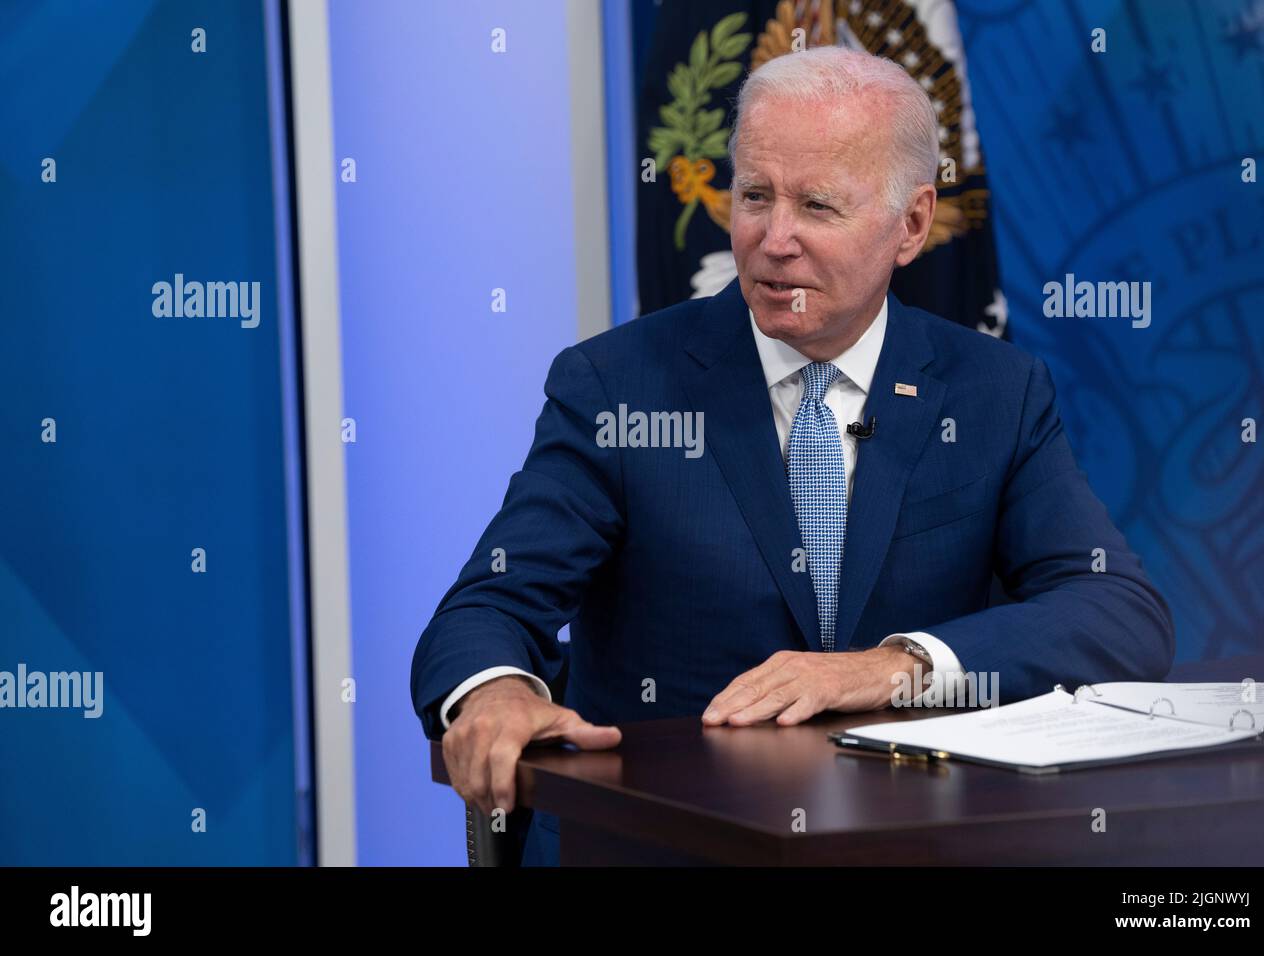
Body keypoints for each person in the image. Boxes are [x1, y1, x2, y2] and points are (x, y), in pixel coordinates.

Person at [411, 46, 1174, 866]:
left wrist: (898, 665)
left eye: (816, 205)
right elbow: (489, 606)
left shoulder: (995, 392)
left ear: (911, 224)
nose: (775, 240)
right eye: (754, 196)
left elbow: (1116, 612)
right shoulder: (617, 385)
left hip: (909, 847)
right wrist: (494, 691)